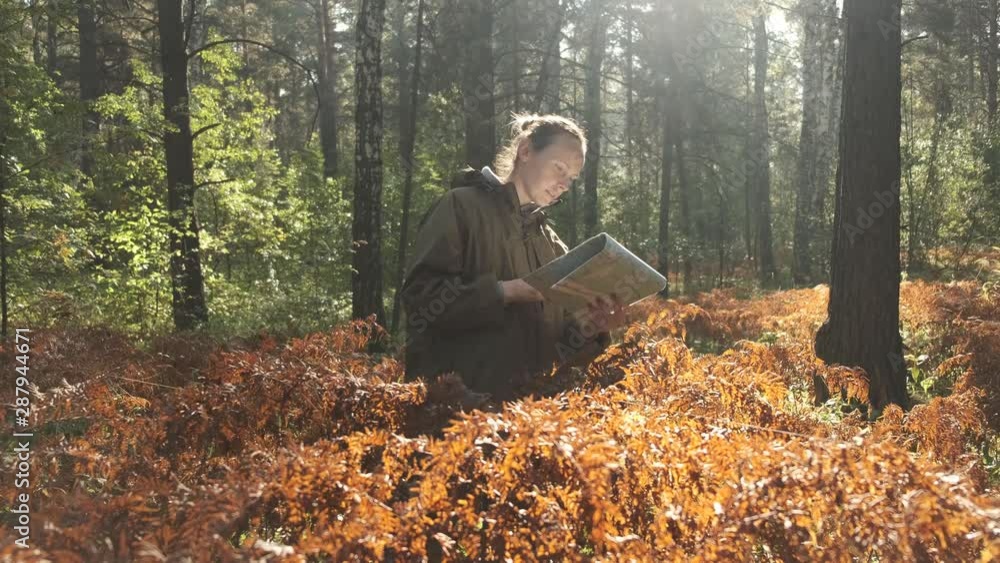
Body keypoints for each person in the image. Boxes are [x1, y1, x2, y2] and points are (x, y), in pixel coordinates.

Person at [400, 113, 628, 403]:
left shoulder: (553, 245)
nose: (564, 184)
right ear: (525, 151)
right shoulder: (460, 207)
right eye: (559, 167)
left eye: (571, 178)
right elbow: (420, 302)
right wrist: (506, 292)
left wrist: (593, 327)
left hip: (529, 419)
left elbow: (559, 350)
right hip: (459, 416)